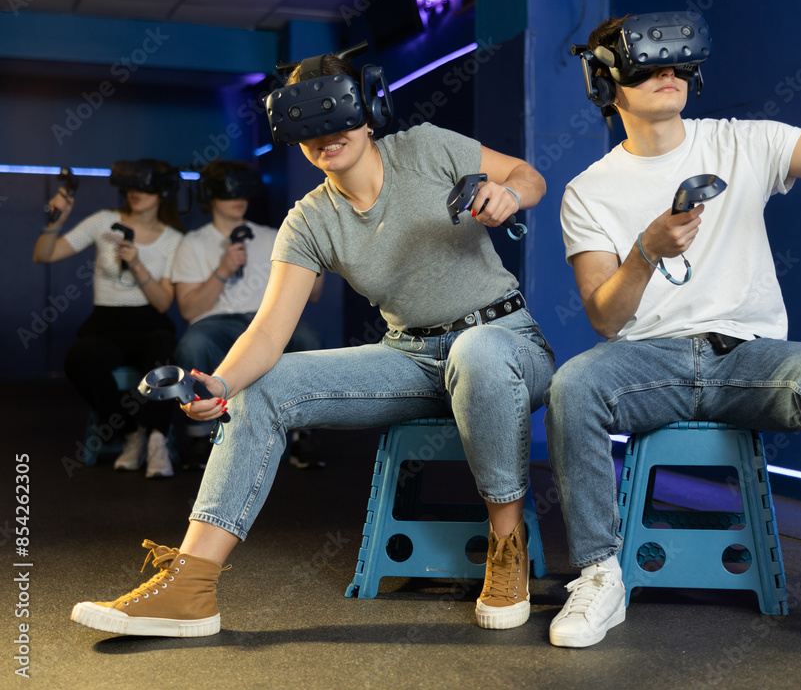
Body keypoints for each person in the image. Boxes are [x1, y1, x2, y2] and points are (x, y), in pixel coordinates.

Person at [70, 50, 555, 637]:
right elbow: (268, 331)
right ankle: (191, 588)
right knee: (262, 386)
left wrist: (511, 194)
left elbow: (529, 175)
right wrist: (219, 384)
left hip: (504, 342)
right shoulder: (310, 220)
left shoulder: (426, 147)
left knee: (477, 350)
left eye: (338, 114)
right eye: (307, 123)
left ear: (369, 110)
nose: (327, 135)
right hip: (410, 357)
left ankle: (507, 544)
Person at [542, 14, 801, 690]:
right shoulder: (589, 191)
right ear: (605, 83)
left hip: (749, 358)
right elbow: (605, 317)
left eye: (678, 62)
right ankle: (599, 576)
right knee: (574, 385)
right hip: (650, 362)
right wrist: (646, 251)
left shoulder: (744, 141)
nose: (668, 73)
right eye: (648, 65)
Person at [33, 159, 185, 479]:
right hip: (105, 322)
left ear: (162, 192)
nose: (135, 193)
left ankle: (157, 439)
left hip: (149, 322)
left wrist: (138, 265)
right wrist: (56, 220)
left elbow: (163, 303)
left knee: (165, 351)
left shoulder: (173, 239)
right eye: (131, 187)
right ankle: (130, 433)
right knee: (80, 357)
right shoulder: (104, 221)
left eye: (144, 188)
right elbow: (44, 255)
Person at [171, 159, 326, 469]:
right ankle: (200, 435)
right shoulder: (193, 243)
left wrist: (318, 254)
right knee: (193, 344)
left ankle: (302, 434)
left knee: (308, 338)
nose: (238, 198)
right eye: (230, 191)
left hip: (266, 319)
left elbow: (313, 294)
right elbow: (189, 309)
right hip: (215, 322)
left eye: (244, 191)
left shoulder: (274, 236)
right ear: (212, 195)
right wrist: (223, 269)